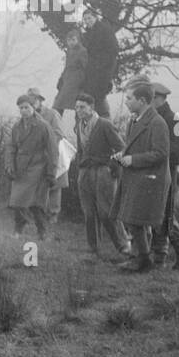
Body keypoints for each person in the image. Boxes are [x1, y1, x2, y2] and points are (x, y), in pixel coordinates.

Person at [110, 82, 170, 273]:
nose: (126, 102)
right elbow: (134, 146)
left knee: (136, 219)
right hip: (136, 175)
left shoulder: (157, 123)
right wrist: (123, 155)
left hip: (149, 178)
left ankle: (142, 259)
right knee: (131, 219)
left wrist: (133, 159)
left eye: (129, 98)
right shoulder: (134, 120)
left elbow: (161, 153)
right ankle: (141, 258)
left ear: (142, 100)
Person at [73, 93, 130, 259]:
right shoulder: (79, 124)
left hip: (103, 171)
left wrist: (113, 165)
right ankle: (93, 247)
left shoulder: (104, 124)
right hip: (85, 172)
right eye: (77, 107)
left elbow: (121, 148)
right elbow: (81, 149)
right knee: (88, 212)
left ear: (92, 108)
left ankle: (123, 245)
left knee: (106, 211)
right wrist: (79, 166)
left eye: (82, 107)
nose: (79, 110)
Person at [147, 82, 179, 270]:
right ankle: (159, 257)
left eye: (150, 99)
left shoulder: (176, 120)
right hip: (151, 173)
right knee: (155, 213)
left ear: (157, 99)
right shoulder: (149, 118)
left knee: (166, 215)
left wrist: (156, 156)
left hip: (168, 173)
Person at [5, 94, 58, 240]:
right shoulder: (17, 126)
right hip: (20, 169)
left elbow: (53, 151)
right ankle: (17, 230)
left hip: (38, 169)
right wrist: (9, 165)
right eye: (21, 108)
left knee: (36, 203)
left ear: (33, 107)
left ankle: (43, 232)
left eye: (26, 107)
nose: (23, 111)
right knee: (16, 201)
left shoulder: (43, 126)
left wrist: (51, 173)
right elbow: (11, 147)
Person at [29, 87, 72, 224]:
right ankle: (39, 213)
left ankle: (53, 215)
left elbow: (59, 134)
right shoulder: (28, 115)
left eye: (35, 98)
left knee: (55, 185)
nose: (32, 101)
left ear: (40, 100)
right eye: (30, 98)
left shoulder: (52, 114)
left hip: (53, 154)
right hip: (36, 156)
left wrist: (45, 143)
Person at [80, 7, 118, 119]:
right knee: (93, 98)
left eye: (89, 18)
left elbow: (113, 49)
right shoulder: (88, 33)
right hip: (93, 72)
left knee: (99, 97)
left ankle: (107, 124)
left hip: (103, 70)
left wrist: (102, 65)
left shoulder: (104, 29)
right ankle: (98, 125)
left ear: (95, 17)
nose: (87, 21)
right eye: (85, 19)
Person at [53, 28, 89, 115]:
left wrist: (83, 81)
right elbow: (67, 67)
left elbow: (86, 67)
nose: (71, 42)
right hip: (67, 80)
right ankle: (56, 126)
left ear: (78, 40)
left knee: (78, 106)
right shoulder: (69, 51)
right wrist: (61, 79)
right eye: (69, 40)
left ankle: (81, 126)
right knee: (57, 105)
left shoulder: (82, 51)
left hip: (76, 82)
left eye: (73, 40)